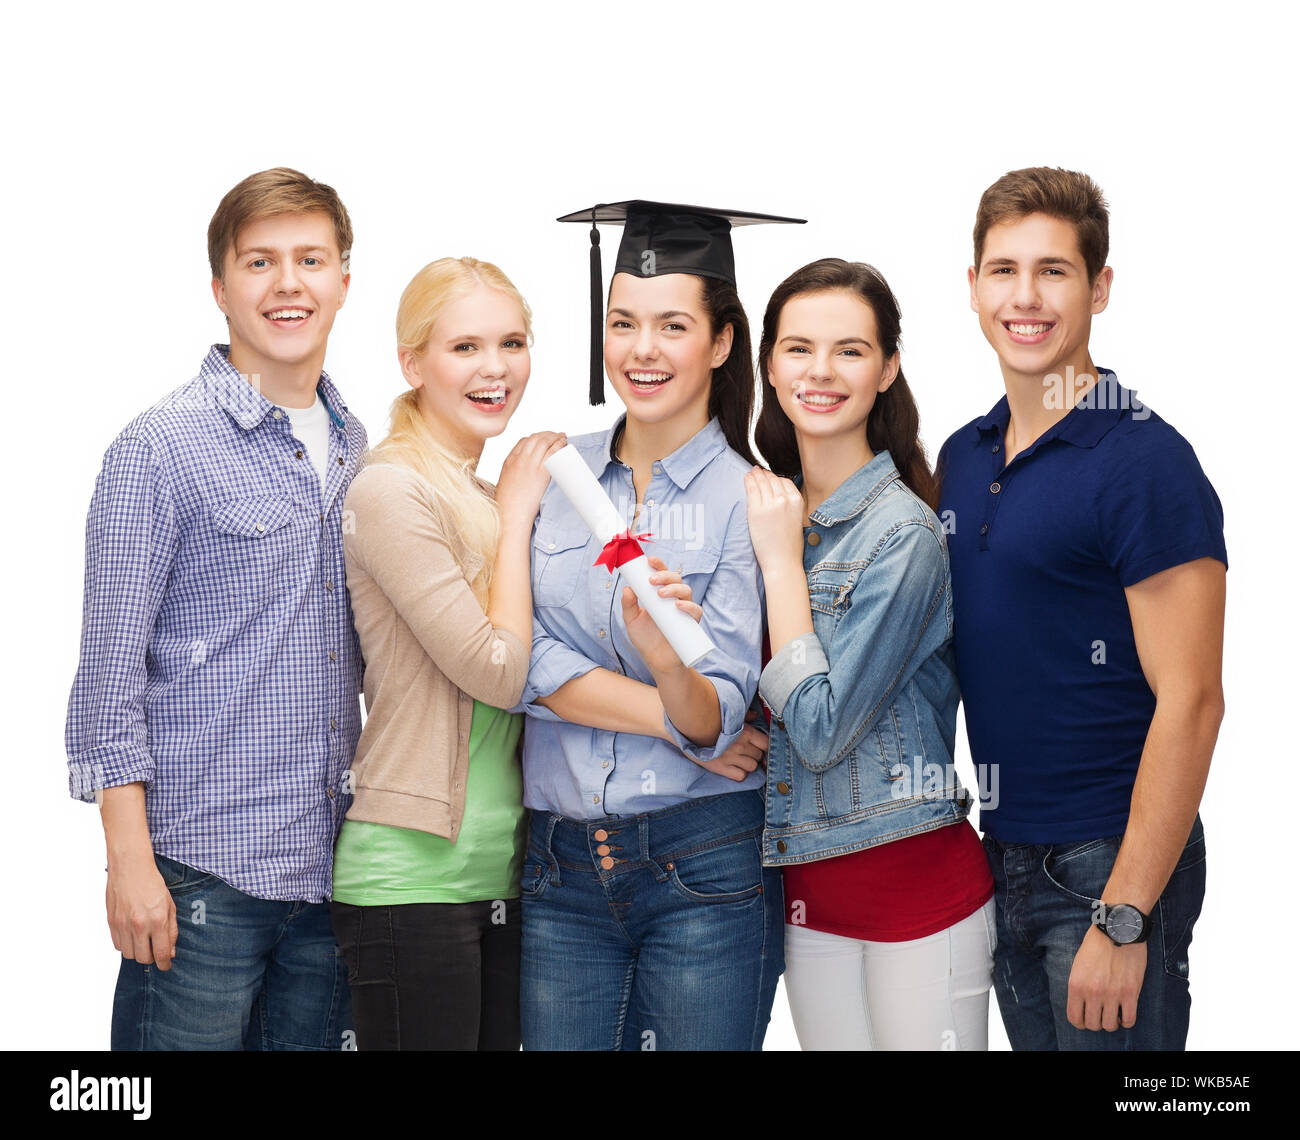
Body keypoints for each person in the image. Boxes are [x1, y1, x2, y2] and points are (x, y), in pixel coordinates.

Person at [65, 167, 365, 1050]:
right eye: (259, 262)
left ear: (344, 279)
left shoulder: (359, 450)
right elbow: (107, 678)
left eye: (311, 259)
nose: (288, 284)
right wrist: (130, 864)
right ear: (220, 287)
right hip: (200, 876)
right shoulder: (157, 451)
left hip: (327, 874)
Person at [937, 166, 1227, 1050]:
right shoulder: (962, 454)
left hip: (1108, 864)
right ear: (975, 287)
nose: (1026, 297)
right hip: (1001, 856)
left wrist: (1127, 915)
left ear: (1099, 287)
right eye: (1003, 270)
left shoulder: (1144, 462)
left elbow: (1194, 701)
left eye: (1054, 271)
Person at [516, 201, 800, 1051]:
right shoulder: (552, 472)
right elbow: (507, 656)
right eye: (623, 323)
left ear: (719, 342)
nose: (642, 350)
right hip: (554, 867)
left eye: (672, 325)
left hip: (704, 865)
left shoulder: (754, 500)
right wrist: (666, 719)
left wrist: (669, 669)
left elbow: (717, 712)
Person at [747, 258, 995, 1050]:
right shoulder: (765, 507)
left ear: (888, 368)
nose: (821, 371)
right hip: (807, 891)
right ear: (768, 365)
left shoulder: (904, 534)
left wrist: (782, 565)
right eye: (798, 349)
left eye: (850, 350)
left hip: (915, 889)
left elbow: (820, 729)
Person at [329, 257, 565, 1050]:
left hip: (501, 872)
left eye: (512, 342)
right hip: (408, 879)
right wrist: (524, 506)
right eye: (464, 347)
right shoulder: (390, 491)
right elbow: (498, 673)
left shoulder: (484, 494)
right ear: (412, 362)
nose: (495, 368)